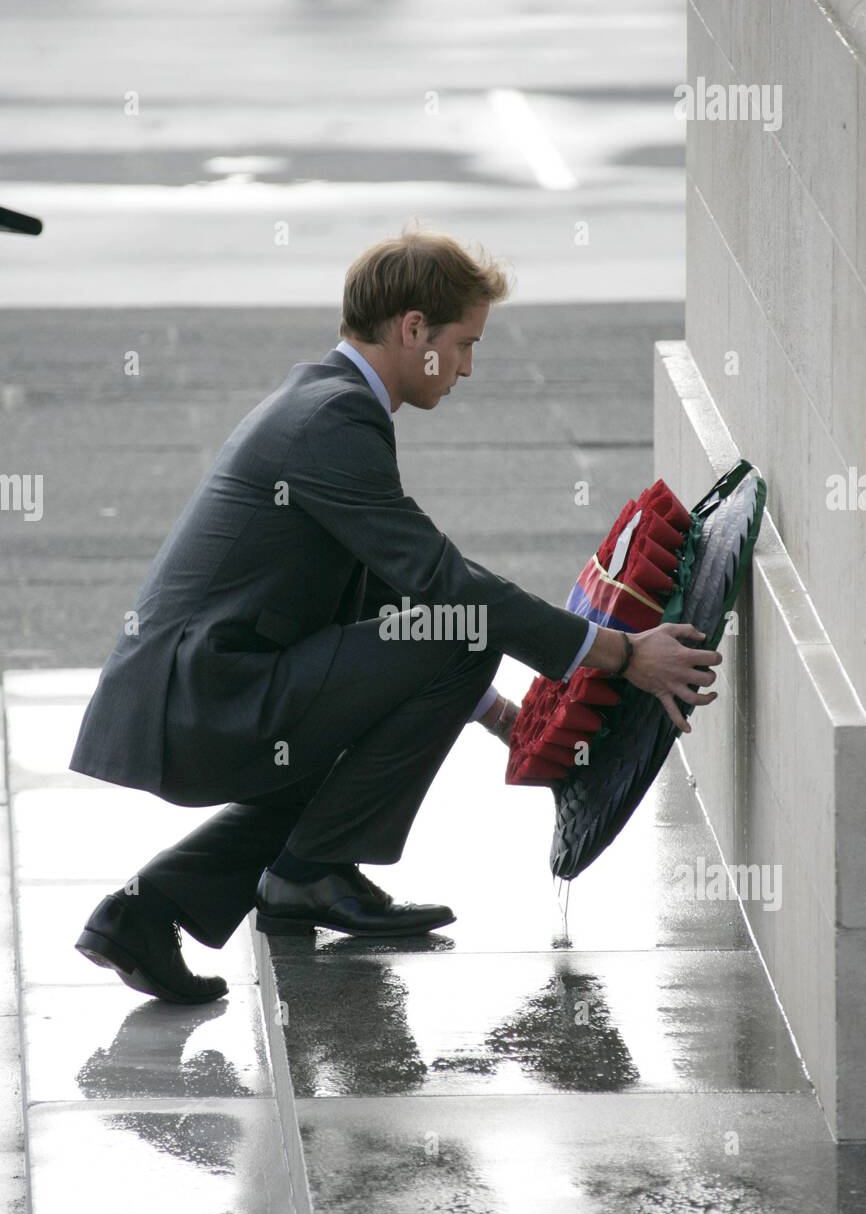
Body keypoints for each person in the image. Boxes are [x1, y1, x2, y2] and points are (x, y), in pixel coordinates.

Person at [68, 228, 721, 1005]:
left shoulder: (323, 400)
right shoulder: (335, 421)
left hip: (203, 693)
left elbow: (389, 589)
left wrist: (495, 715)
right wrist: (615, 652)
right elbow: (444, 587)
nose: (470, 367)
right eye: (464, 343)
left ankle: (145, 914)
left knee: (372, 713)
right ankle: (309, 874)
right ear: (414, 331)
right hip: (201, 703)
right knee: (462, 632)